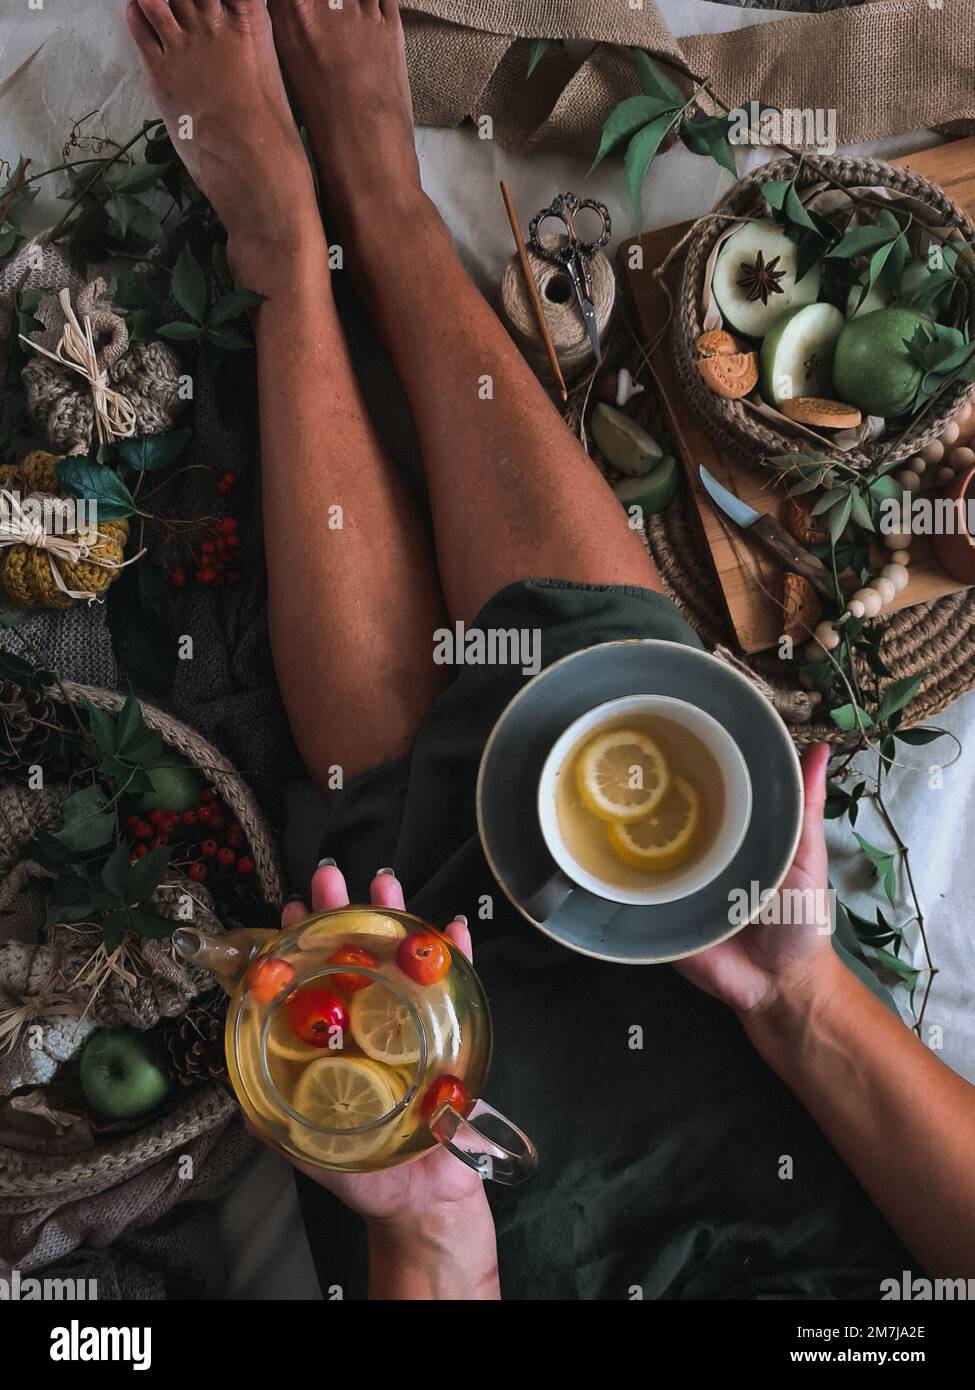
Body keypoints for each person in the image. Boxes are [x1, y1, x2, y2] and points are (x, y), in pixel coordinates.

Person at [127, 0, 975, 1300]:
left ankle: (283, 249)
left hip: (523, 1256)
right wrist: (800, 1003)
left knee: (400, 856)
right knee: (606, 689)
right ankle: (384, 195)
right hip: (820, 1210)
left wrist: (426, 1227)